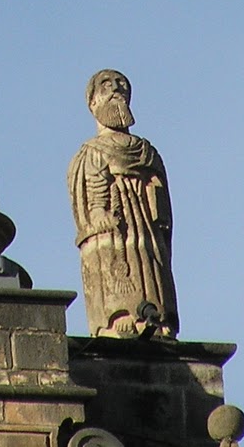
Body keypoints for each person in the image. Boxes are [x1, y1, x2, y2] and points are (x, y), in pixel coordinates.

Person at [67, 68, 179, 337]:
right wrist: (98, 212)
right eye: (106, 86)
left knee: (150, 260)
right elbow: (89, 191)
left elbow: (160, 188)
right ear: (93, 102)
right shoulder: (91, 151)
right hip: (113, 225)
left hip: (144, 223)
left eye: (121, 85)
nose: (116, 90)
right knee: (114, 258)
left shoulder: (146, 151)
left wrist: (155, 196)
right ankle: (118, 317)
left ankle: (157, 316)